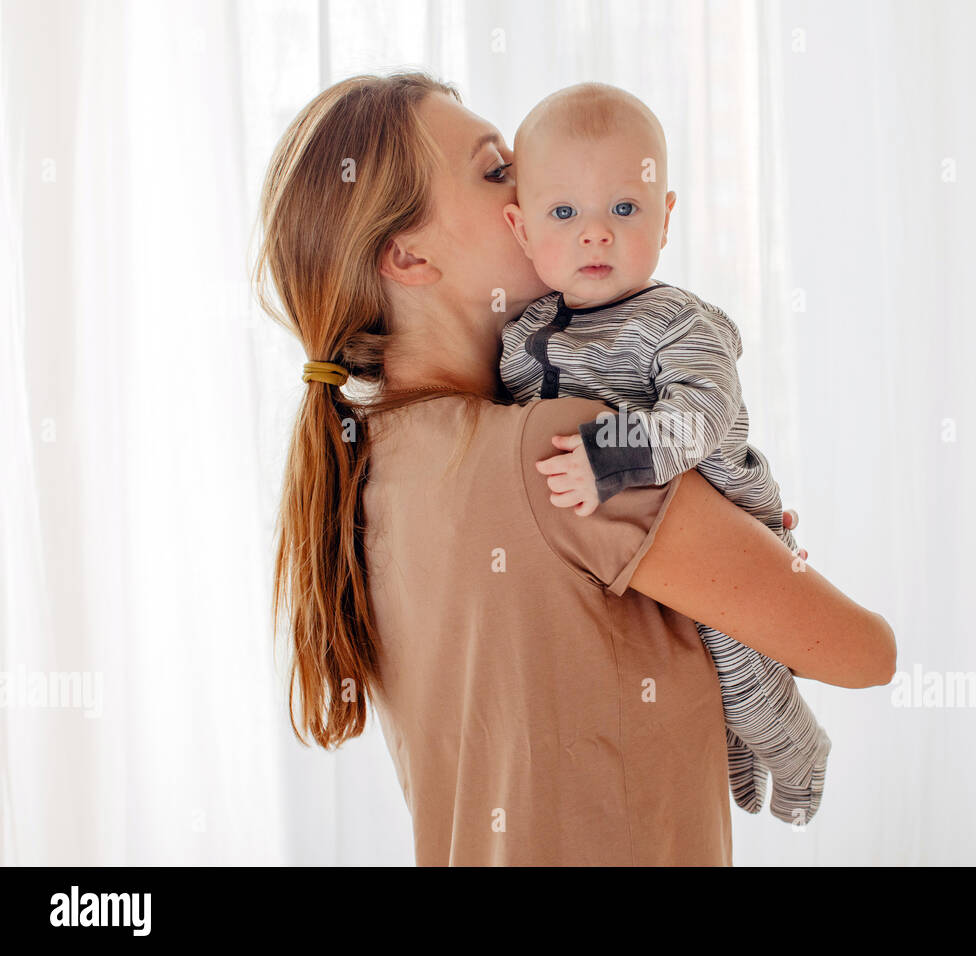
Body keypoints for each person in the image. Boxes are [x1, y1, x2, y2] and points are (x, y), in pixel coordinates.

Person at [253, 71, 896, 866]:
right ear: (408, 255)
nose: (542, 188)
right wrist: (745, 539)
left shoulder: (365, 466)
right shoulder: (565, 450)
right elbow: (865, 653)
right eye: (498, 172)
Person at [497, 81, 831, 823]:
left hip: (721, 515)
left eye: (624, 208)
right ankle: (740, 764)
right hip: (621, 545)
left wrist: (607, 457)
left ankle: (798, 747)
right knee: (685, 672)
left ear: (665, 217)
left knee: (737, 655)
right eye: (564, 213)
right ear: (521, 230)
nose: (596, 234)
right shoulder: (522, 334)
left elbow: (701, 415)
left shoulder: (675, 322)